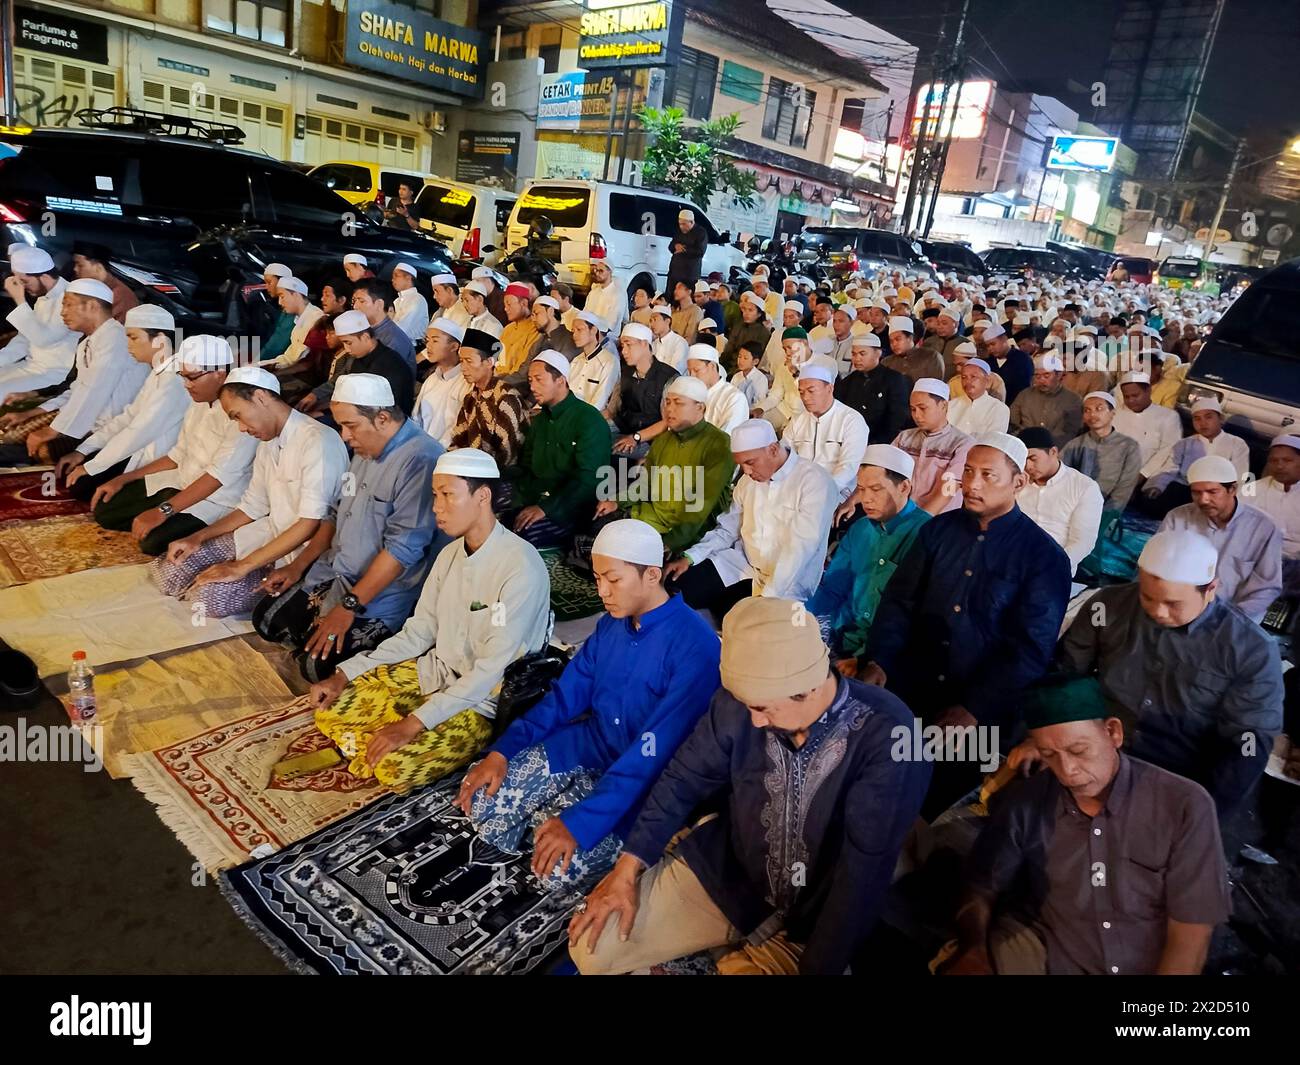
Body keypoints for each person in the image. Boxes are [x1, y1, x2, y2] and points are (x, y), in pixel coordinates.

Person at [568, 596, 931, 975]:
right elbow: (683, 778)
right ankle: (719, 950)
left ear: (807, 688)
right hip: (731, 873)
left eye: (763, 708)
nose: (755, 722)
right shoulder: (739, 703)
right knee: (592, 948)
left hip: (816, 911)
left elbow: (860, 879)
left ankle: (724, 955)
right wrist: (626, 870)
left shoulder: (888, 738)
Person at [458, 519, 719, 891]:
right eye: (597, 579)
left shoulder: (697, 648)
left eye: (613, 580)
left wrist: (579, 823)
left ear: (652, 575)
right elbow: (564, 699)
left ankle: (564, 815)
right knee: (485, 803)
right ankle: (553, 809)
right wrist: (503, 751)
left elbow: (652, 755)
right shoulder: (613, 625)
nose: (602, 592)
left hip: (645, 780)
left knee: (556, 870)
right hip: (592, 744)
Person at [951, 676, 1230, 976]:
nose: (1068, 771)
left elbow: (1191, 934)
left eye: (1079, 750)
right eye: (1049, 755)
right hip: (1050, 953)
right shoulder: (1027, 802)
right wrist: (974, 948)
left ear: (1113, 732)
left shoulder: (1184, 804)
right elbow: (981, 885)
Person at [310, 448, 551, 791]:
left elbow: (490, 670)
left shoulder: (519, 567)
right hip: (435, 673)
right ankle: (392, 727)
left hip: (481, 700)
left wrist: (413, 724)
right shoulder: (450, 554)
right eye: (435, 495)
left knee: (393, 770)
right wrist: (345, 673)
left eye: (448, 495)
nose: (437, 507)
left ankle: (411, 734)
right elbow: (419, 632)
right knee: (331, 707)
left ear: (482, 496)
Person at [861, 432, 1072, 816]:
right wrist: (880, 661)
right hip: (913, 685)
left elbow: (1030, 649)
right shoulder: (938, 531)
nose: (972, 484)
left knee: (929, 805)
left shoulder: (1044, 558)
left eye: (988, 475)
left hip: (980, 710)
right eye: (969, 471)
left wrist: (975, 708)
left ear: (1019, 482)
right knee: (874, 778)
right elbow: (899, 602)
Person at [1053, 529, 1283, 825]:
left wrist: (1202, 814)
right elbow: (1065, 673)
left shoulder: (1251, 649)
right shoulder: (1107, 605)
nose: (1158, 611)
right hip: (1093, 750)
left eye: (1174, 604)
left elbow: (1248, 743)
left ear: (1210, 589)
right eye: (1147, 597)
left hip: (1175, 774)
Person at [252, 373, 444, 682]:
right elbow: (334, 513)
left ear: (382, 418)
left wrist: (348, 606)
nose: (343, 436)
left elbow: (402, 549)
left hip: (383, 592)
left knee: (315, 668)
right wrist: (299, 567)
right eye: (341, 425)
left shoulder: (421, 459)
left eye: (350, 425)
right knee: (266, 620)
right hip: (337, 572)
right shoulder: (366, 448)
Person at [153, 366, 349, 617]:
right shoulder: (268, 440)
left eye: (238, 416)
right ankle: (239, 568)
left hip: (304, 554)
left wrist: (241, 567)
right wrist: (198, 538)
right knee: (170, 572)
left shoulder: (319, 441)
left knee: (206, 598)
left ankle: (258, 577)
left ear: (260, 398)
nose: (241, 428)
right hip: (268, 533)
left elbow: (310, 523)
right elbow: (252, 506)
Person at [88, 334, 257, 555]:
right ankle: (166, 509)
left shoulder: (241, 416)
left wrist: (162, 511)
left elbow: (216, 478)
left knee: (153, 542)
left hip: (215, 500)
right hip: (179, 482)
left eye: (193, 377)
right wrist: (123, 478)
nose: (186, 385)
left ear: (219, 374)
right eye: (183, 377)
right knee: (106, 509)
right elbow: (176, 456)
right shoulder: (197, 403)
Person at [664, 419, 836, 619]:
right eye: (741, 465)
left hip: (787, 583)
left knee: (749, 628)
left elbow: (798, 551)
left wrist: (766, 598)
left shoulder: (815, 482)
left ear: (772, 449)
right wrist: (690, 557)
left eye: (750, 462)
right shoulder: (747, 482)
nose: (745, 471)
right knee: (675, 588)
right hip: (743, 564)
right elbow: (727, 530)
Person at [0, 278, 147, 466]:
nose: (63, 313)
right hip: (84, 416)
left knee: (40, 449)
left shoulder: (114, 338)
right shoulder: (88, 342)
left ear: (92, 306)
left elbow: (93, 391)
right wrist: (31, 413)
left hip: (106, 425)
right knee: (10, 433)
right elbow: (77, 388)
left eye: (68, 305)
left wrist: (52, 431)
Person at [807, 444, 930, 668]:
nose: (866, 499)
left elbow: (912, 615)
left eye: (876, 489)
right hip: (840, 637)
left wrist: (866, 657)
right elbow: (833, 587)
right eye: (861, 489)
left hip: (883, 654)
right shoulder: (861, 528)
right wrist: (802, 622)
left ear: (904, 487)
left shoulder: (927, 533)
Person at [590, 375, 735, 557]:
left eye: (678, 403)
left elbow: (700, 506)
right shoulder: (664, 439)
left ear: (700, 407)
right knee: (598, 530)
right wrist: (616, 501)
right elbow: (645, 484)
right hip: (651, 517)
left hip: (688, 530)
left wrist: (671, 543)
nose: (669, 409)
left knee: (632, 558)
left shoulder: (719, 444)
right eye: (667, 402)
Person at [56, 305, 189, 503]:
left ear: (160, 340)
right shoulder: (158, 372)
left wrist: (91, 466)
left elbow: (139, 430)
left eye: (133, 338)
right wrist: (83, 451)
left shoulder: (174, 379)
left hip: (160, 459)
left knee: (82, 486)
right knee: (77, 478)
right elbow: (128, 416)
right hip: (138, 448)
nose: (128, 345)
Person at [1157, 455, 1283, 623]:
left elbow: (1266, 588)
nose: (1203, 500)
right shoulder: (1177, 518)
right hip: (1177, 612)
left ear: (1232, 489)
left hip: (1234, 620)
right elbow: (1155, 566)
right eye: (1196, 492)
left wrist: (1226, 620)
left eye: (1212, 492)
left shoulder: (1264, 528)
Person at [506, 351, 610, 547]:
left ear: (560, 380)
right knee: (490, 513)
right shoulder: (541, 419)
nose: (532, 387)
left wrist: (545, 508)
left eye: (539, 379)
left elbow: (588, 479)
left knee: (522, 538)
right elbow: (526, 465)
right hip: (536, 496)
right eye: (530, 380)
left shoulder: (589, 420)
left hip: (570, 509)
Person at [1136, 396, 1250, 519]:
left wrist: (1232, 502)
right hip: (1184, 491)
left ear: (1220, 419)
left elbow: (1241, 476)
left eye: (1208, 417)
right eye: (1197, 419)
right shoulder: (1185, 443)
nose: (1203, 423)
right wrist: (1157, 486)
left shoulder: (1237, 444)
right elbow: (1170, 468)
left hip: (1216, 493)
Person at [1016, 427, 1103, 577]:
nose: (1027, 466)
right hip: (1012, 563)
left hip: (1054, 570)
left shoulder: (1084, 487)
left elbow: (1082, 542)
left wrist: (1052, 565)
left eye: (1032, 458)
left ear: (1053, 452)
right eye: (1023, 459)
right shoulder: (1017, 482)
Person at [781, 356, 869, 503]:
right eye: (801, 392)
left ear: (830, 388)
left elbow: (848, 468)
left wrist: (820, 492)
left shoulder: (851, 420)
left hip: (837, 491)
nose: (805, 398)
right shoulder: (798, 420)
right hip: (798, 489)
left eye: (811, 391)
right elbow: (784, 455)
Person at [299, 309, 414, 418]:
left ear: (365, 337)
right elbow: (341, 382)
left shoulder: (389, 365)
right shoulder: (358, 357)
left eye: (348, 342)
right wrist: (315, 398)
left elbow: (370, 410)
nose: (347, 349)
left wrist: (325, 413)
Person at [887, 378, 973, 516]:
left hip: (937, 521)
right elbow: (884, 473)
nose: (917, 415)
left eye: (923, 408)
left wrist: (918, 522)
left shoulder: (962, 444)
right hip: (899, 515)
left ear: (944, 406)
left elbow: (948, 491)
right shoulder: (904, 438)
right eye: (913, 409)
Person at [0, 245, 78, 393]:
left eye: (24, 281)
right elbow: (24, 339)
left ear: (44, 277)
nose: (22, 287)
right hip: (31, 365)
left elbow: (43, 339)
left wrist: (19, 299)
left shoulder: (69, 298)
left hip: (54, 373)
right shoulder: (43, 297)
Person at [449, 329, 529, 472]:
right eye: (461, 361)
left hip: (500, 475)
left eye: (469, 361)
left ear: (489, 362)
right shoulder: (470, 399)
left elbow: (508, 454)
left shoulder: (507, 397)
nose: (463, 368)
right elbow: (459, 439)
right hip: (473, 471)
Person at [611, 321, 678, 461]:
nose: (624, 351)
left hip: (649, 439)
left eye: (628, 345)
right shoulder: (625, 373)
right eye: (622, 346)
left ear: (644, 344)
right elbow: (613, 409)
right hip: (623, 428)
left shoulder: (668, 377)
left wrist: (636, 437)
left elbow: (667, 422)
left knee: (609, 450)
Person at [834, 332, 911, 445]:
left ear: (877, 353)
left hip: (881, 443)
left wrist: (874, 443)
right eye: (854, 354)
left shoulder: (894, 379)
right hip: (849, 440)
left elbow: (896, 420)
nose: (857, 358)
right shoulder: (848, 381)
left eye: (862, 353)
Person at [1251, 432, 1300, 595]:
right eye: (1273, 461)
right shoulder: (1251, 490)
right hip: (1255, 561)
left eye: (1287, 460)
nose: (1279, 466)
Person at [413, 318, 469, 447]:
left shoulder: (465, 382)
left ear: (454, 346)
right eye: (427, 340)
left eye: (435, 340)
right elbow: (416, 419)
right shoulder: (431, 380)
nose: (428, 346)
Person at [1009, 353, 1082, 448]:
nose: (1041, 380)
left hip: (1057, 449)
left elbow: (1072, 432)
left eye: (1046, 375)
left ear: (1059, 375)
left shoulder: (1073, 399)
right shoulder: (1024, 395)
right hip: (1024, 447)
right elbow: (1013, 423)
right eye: (1037, 376)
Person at [1112, 370, 1181, 469]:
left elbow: (1168, 450)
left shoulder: (1168, 416)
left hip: (1150, 477)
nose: (1131, 400)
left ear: (1148, 391)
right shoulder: (1115, 415)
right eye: (1126, 397)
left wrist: (1144, 474)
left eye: (1135, 395)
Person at [260, 276, 324, 373]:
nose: (280, 302)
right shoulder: (299, 319)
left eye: (282, 296)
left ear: (296, 294)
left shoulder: (315, 318)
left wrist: (260, 365)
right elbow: (289, 357)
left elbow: (296, 359)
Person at [350, 278, 417, 371]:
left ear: (379, 304)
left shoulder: (393, 339)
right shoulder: (363, 330)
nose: (355, 306)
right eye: (354, 301)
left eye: (361, 301)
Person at [752, 326, 807, 433]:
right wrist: (761, 408)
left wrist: (795, 372)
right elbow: (775, 395)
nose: (787, 352)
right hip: (784, 410)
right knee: (754, 426)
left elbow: (809, 395)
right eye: (784, 348)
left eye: (790, 347)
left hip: (805, 415)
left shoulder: (821, 364)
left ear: (803, 344)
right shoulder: (784, 366)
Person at [686, 342, 748, 435]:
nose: (692, 376)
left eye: (696, 370)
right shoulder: (689, 394)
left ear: (712, 366)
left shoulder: (734, 397)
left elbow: (725, 438)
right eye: (689, 371)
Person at [72, 240, 138, 323]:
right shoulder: (85, 288)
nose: (75, 269)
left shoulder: (122, 297)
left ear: (98, 267)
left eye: (80, 265)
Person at [568, 315, 620, 414]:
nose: (574, 335)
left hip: (590, 418)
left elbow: (599, 402)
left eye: (579, 330)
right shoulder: (576, 361)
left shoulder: (609, 361)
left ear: (594, 330)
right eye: (573, 331)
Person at [947, 357, 1009, 437]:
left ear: (987, 381)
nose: (968, 381)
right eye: (964, 377)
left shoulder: (999, 409)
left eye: (973, 377)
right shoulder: (950, 406)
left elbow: (992, 442)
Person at [495, 282, 540, 380]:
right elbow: (497, 358)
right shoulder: (507, 329)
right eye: (505, 304)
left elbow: (522, 368)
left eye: (509, 304)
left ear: (524, 303)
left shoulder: (534, 329)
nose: (506, 309)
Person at [720, 293, 771, 376]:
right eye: (745, 310)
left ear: (759, 314)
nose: (746, 313)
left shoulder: (763, 333)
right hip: (730, 365)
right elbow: (729, 348)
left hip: (745, 370)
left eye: (750, 310)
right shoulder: (738, 325)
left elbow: (755, 357)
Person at [881, 316, 943, 385]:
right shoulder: (886, 363)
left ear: (910, 338)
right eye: (891, 341)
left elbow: (936, 387)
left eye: (898, 339)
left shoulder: (931, 357)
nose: (894, 344)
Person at [982, 323, 1033, 403]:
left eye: (993, 344)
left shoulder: (1023, 359)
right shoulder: (988, 363)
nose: (990, 348)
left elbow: (1025, 388)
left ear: (1004, 339)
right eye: (988, 346)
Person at [257, 263, 295, 364]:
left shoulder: (291, 310)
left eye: (269, 282)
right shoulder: (274, 304)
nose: (266, 287)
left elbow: (277, 344)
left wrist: (257, 361)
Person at [665, 209, 707, 298]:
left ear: (692, 222)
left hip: (689, 275)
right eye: (680, 224)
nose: (681, 226)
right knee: (671, 297)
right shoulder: (679, 232)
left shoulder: (701, 232)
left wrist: (684, 249)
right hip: (674, 273)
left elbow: (700, 251)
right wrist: (675, 246)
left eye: (684, 224)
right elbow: (671, 246)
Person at [529, 294, 580, 364]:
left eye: (536, 313)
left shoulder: (570, 341)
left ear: (550, 311)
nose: (533, 319)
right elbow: (523, 370)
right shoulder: (539, 342)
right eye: (532, 315)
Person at [583, 259, 628, 338]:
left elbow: (611, 325)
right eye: (596, 270)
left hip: (608, 338)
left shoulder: (618, 295)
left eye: (601, 271)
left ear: (610, 272)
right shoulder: (593, 292)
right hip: (590, 334)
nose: (597, 273)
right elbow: (585, 314)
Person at [389, 262, 430, 342]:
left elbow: (401, 330)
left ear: (408, 278)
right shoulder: (397, 301)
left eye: (396, 276)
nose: (392, 280)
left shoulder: (417, 300)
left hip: (412, 347)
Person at [648, 304, 688, 374]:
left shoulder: (679, 342)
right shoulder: (653, 344)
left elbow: (676, 371)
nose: (652, 324)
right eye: (651, 321)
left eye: (655, 320)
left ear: (667, 321)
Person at [730, 341, 768, 407]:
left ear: (755, 361)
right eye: (739, 356)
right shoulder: (736, 376)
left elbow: (759, 403)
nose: (741, 361)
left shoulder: (761, 379)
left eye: (745, 358)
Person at [670, 280, 703, 345]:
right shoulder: (673, 311)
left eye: (679, 288)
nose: (675, 291)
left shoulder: (695, 310)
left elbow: (691, 337)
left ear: (689, 291)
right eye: (675, 288)